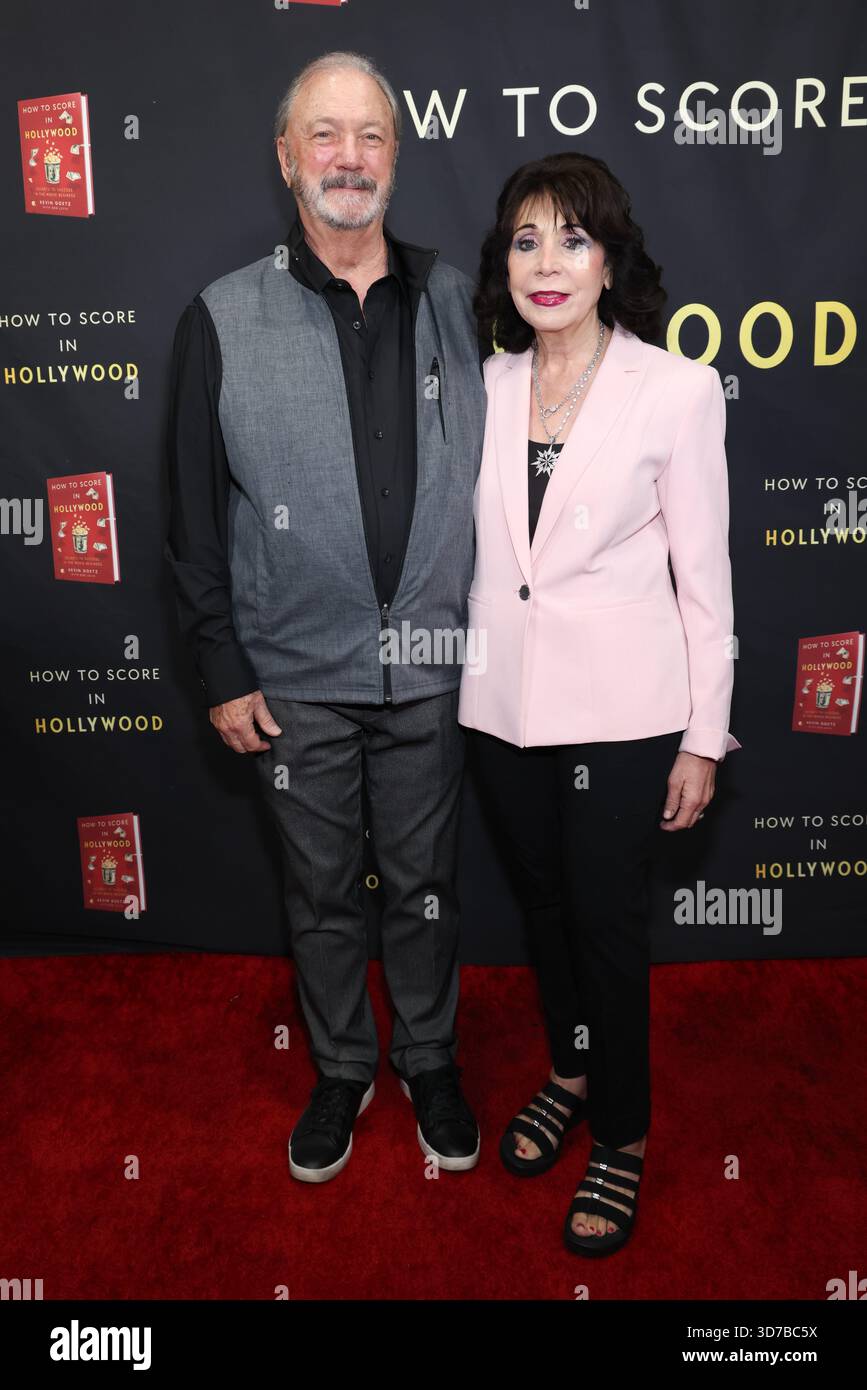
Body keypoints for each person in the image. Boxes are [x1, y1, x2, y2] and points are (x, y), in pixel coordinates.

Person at [164, 51, 489, 1183]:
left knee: (425, 879)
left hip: (435, 667)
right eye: (326, 135)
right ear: (288, 157)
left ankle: (431, 1057)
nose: (349, 157)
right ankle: (346, 1065)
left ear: (396, 157)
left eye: (371, 136)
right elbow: (195, 520)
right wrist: (221, 665)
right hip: (293, 673)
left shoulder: (460, 298)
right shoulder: (220, 318)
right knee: (318, 889)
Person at [459, 151, 741, 1255]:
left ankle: (621, 1133)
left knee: (608, 922)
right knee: (541, 907)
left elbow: (705, 578)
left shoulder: (674, 387)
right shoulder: (483, 382)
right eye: (526, 239)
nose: (547, 262)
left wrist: (705, 736)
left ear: (609, 257)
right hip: (503, 708)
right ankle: (570, 1068)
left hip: (627, 716)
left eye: (572, 238)